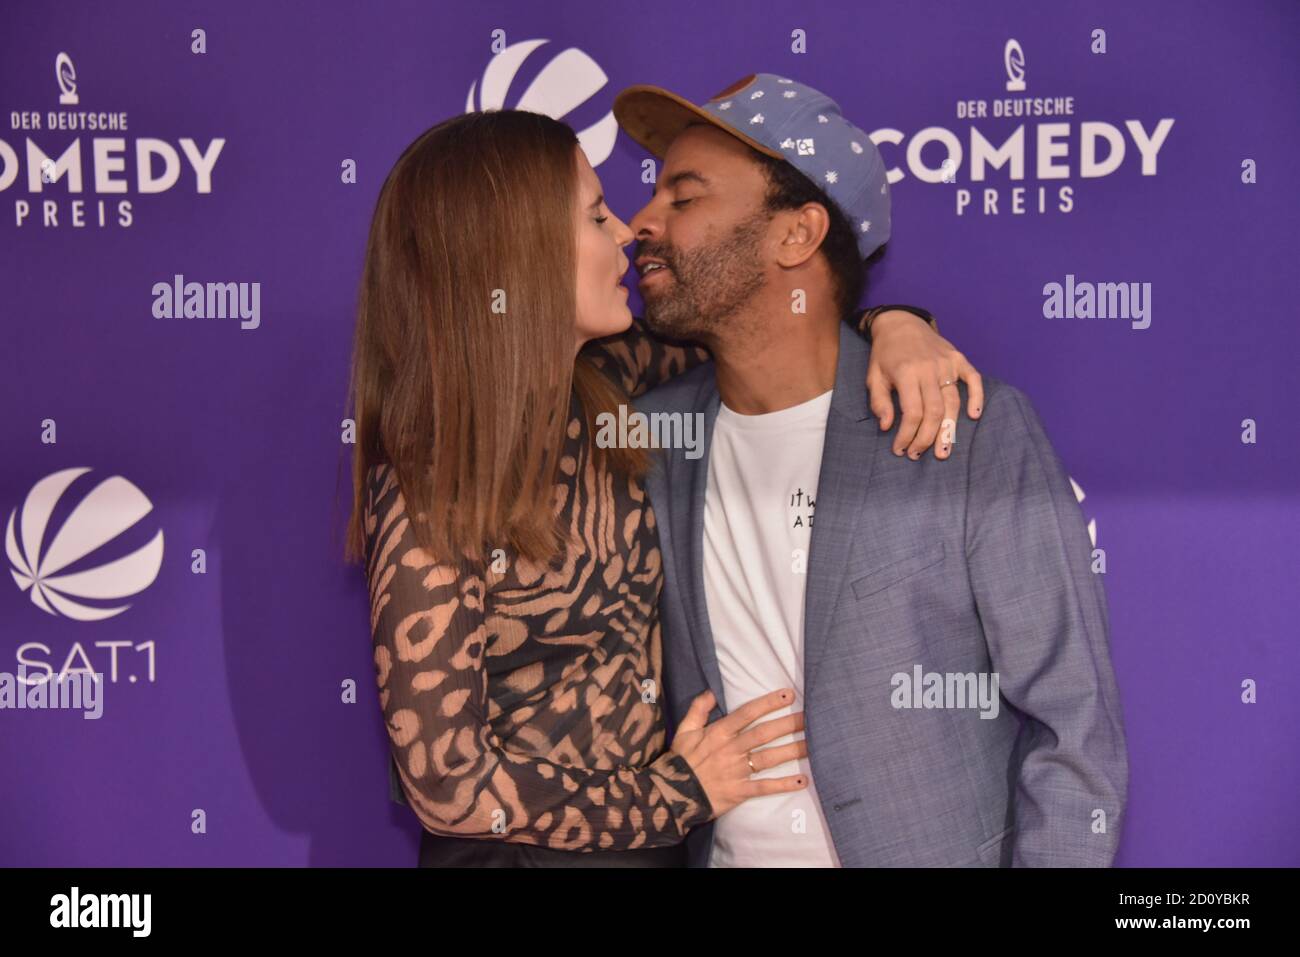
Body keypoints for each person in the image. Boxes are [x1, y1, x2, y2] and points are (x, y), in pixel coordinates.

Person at [343, 106, 982, 866]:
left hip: (656, 850)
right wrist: (679, 793)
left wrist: (895, 324)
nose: (624, 232)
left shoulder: (613, 378)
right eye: (595, 216)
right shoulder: (432, 478)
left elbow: (768, 331)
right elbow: (446, 781)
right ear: (513, 251)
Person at [617, 73, 1128, 867]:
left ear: (797, 234)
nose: (640, 223)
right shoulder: (644, 438)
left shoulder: (968, 428)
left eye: (683, 197)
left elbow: (1076, 726)